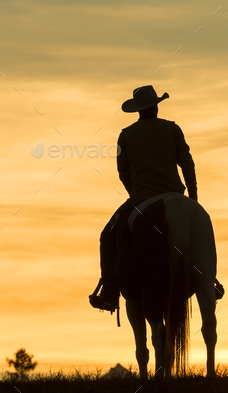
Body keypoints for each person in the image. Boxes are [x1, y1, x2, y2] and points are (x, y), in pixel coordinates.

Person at [89, 85, 198, 312]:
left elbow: (123, 173)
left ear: (138, 110)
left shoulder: (126, 135)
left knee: (107, 237)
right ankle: (208, 280)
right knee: (199, 232)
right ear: (156, 106)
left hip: (141, 197)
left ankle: (110, 292)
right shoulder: (172, 129)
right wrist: (193, 199)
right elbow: (187, 163)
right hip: (176, 195)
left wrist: (135, 194)